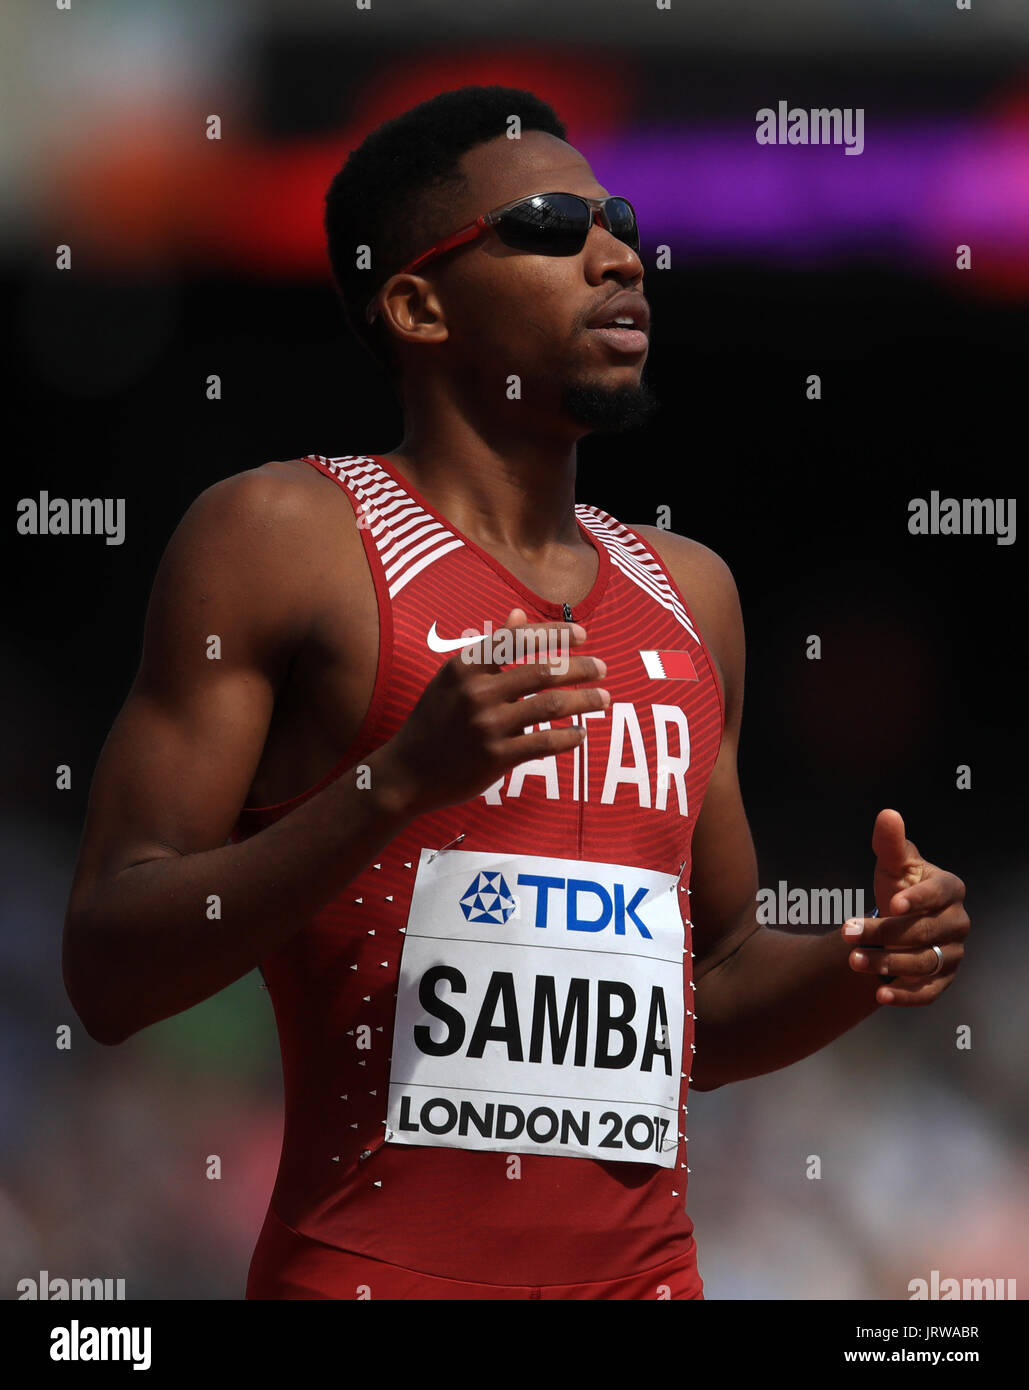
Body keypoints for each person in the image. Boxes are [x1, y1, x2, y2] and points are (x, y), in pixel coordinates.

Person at [62, 86, 970, 1301]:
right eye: (552, 224)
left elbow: (712, 993)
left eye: (623, 221)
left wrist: (862, 962)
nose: (620, 254)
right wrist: (391, 788)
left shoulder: (690, 593)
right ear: (419, 304)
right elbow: (110, 971)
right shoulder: (282, 538)